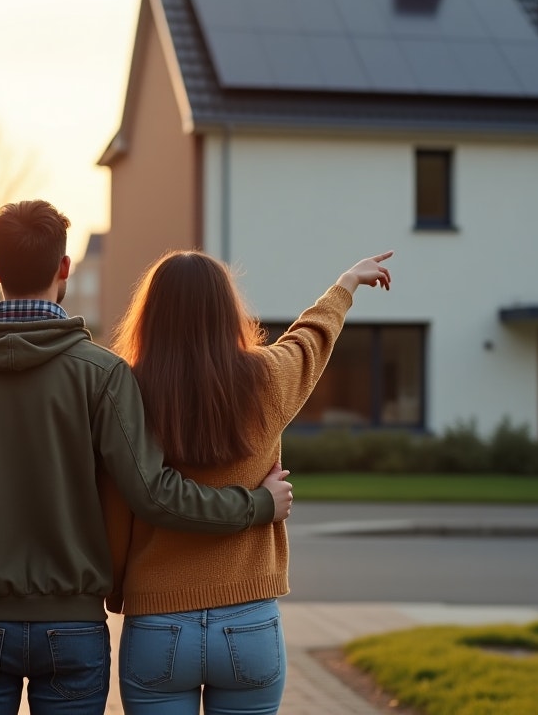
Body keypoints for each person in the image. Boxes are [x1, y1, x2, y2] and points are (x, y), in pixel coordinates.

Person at [0, 200, 294, 715]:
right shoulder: (101, 374)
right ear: (64, 268)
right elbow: (152, 493)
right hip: (73, 629)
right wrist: (255, 506)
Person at [105, 249, 394, 715]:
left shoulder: (126, 390)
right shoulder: (268, 378)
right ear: (226, 309)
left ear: (150, 314)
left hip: (157, 622)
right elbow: (310, 340)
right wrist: (344, 287)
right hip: (249, 622)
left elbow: (119, 505)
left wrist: (120, 590)